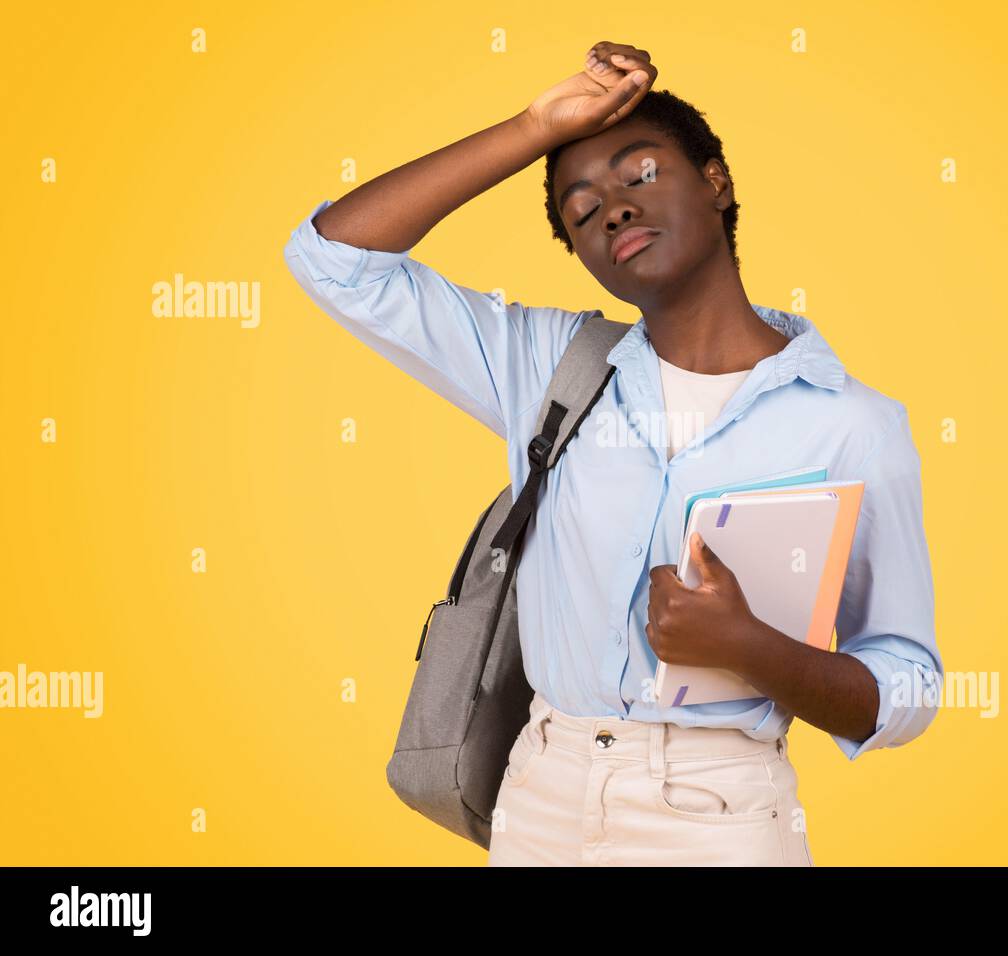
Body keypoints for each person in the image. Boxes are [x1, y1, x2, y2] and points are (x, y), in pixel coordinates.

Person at [283, 40, 943, 866]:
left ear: (717, 180)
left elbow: (908, 687)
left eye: (639, 174)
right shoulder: (548, 369)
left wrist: (751, 648)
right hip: (539, 795)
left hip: (718, 815)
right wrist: (532, 127)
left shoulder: (853, 426)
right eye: (581, 209)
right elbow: (335, 261)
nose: (614, 209)